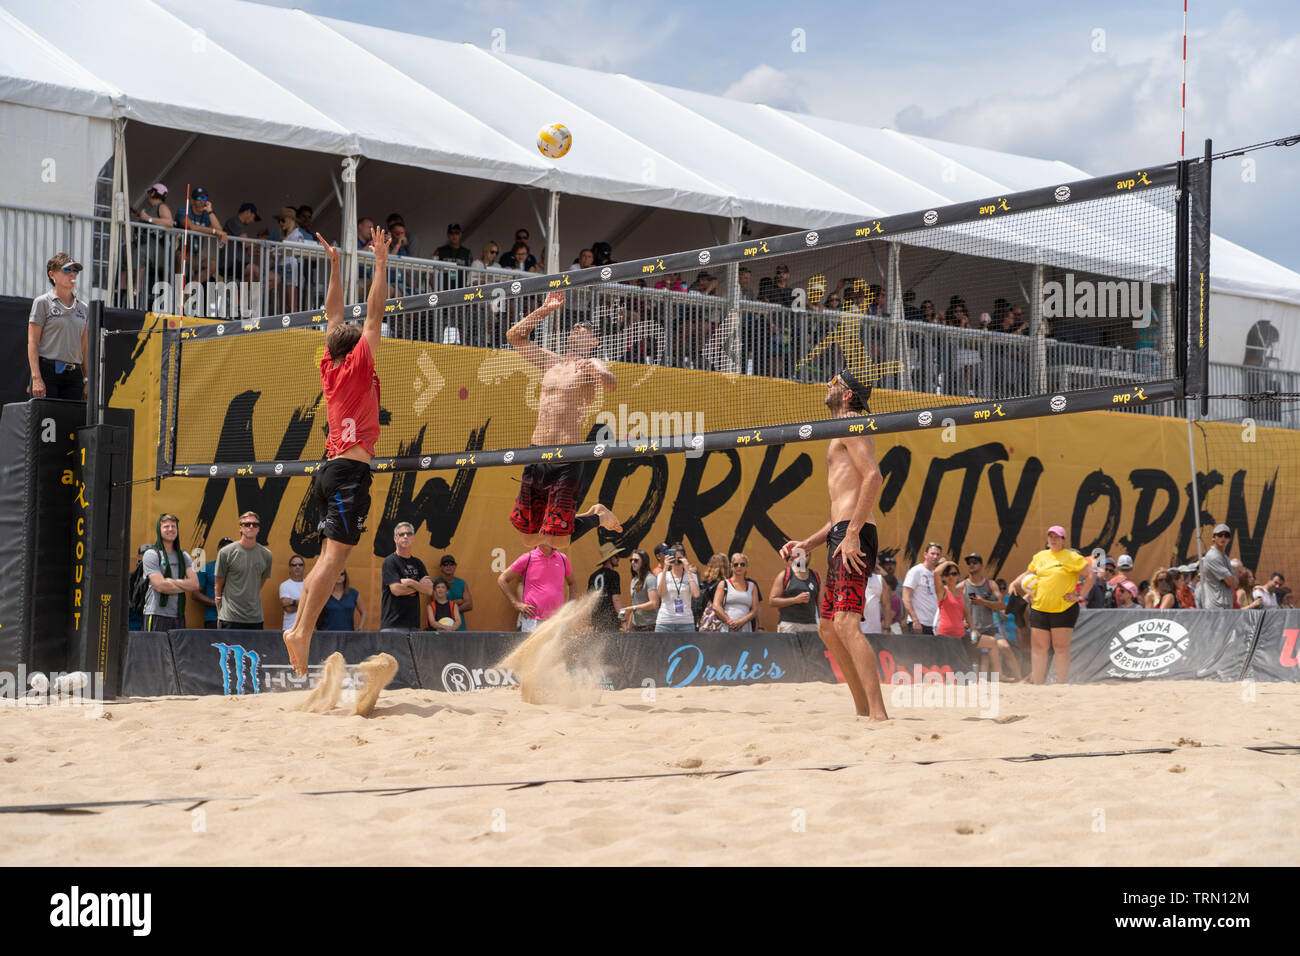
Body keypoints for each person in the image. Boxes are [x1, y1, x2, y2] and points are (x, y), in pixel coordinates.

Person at [283, 230, 389, 672]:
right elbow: (373, 314)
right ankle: (301, 632)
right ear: (356, 349)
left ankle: (298, 630)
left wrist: (334, 264)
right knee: (334, 559)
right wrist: (381, 262)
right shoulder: (359, 367)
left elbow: (333, 315)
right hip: (348, 473)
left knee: (327, 559)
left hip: (330, 468)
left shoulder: (330, 365)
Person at [780, 369, 888, 719]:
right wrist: (808, 543)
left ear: (846, 395)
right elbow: (842, 509)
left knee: (844, 624)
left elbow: (874, 476)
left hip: (854, 535)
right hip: (844, 532)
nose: (827, 385)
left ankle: (878, 714)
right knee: (828, 627)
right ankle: (862, 710)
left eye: (834, 383)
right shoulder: (840, 429)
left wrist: (854, 532)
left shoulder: (851, 422)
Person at [506, 290, 622, 550]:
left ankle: (598, 517)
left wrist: (597, 372)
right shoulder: (551, 363)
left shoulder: (593, 363)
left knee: (561, 541)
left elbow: (611, 383)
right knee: (528, 538)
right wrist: (545, 309)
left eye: (586, 329)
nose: (578, 327)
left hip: (566, 456)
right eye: (576, 326)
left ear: (594, 342)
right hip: (536, 454)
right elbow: (513, 336)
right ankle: (596, 515)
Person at [1011, 525, 1094, 685]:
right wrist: (1014, 583)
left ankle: (1061, 684)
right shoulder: (1040, 556)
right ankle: (1038, 685)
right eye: (1050, 536)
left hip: (1064, 608)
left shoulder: (1071, 557)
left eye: (1057, 537)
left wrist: (1079, 596)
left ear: (1063, 540)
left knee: (1060, 647)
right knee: (1039, 648)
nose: (1053, 539)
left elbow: (1090, 574)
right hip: (1039, 607)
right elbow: (1028, 574)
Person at [28, 253, 89, 400]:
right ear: (52, 274)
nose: (72, 274)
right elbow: (33, 342)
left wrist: (87, 380)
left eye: (75, 271)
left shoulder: (84, 308)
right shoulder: (42, 302)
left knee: (71, 422)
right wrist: (36, 378)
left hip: (74, 375)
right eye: (67, 270)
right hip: (48, 372)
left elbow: (85, 347)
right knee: (46, 421)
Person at [963, 553, 1019, 680]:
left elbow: (1002, 606)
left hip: (990, 628)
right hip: (973, 628)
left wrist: (984, 602)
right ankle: (990, 678)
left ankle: (1019, 678)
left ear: (981, 565)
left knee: (1005, 647)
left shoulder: (990, 584)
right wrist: (961, 620)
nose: (971, 564)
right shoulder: (963, 585)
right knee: (977, 656)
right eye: (969, 562)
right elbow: (954, 604)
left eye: (974, 562)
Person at [498, 540, 574, 633]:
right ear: (537, 539)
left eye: (550, 535)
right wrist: (517, 604)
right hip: (533, 620)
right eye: (544, 535)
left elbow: (572, 583)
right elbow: (502, 579)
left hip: (557, 620)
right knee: (532, 648)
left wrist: (571, 603)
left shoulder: (563, 558)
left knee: (557, 648)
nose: (547, 538)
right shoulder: (528, 558)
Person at [215, 512, 273, 629]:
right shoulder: (225, 552)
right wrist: (220, 614)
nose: (251, 527)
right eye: (247, 524)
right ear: (240, 528)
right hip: (230, 617)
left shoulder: (267, 555)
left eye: (255, 525)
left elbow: (260, 582)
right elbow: (218, 584)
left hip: (255, 618)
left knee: (254, 648)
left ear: (258, 529)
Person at [142, 513, 200, 631]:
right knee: (155, 649)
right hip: (156, 614)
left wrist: (169, 581)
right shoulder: (152, 554)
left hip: (178, 615)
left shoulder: (184, 556)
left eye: (173, 526)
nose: (170, 529)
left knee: (176, 650)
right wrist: (184, 584)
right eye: (166, 526)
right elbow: (160, 586)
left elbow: (194, 584)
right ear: (159, 530)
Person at [381, 522, 433, 631]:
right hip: (393, 625)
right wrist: (419, 586)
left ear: (413, 538)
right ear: (395, 538)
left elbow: (429, 590)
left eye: (409, 534)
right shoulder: (390, 562)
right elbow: (396, 590)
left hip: (414, 625)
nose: (405, 536)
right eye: (402, 534)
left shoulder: (418, 563)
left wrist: (410, 582)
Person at [770, 551, 821, 634]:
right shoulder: (785, 574)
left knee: (812, 648)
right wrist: (795, 600)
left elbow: (821, 604)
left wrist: (823, 624)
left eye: (806, 555)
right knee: (787, 648)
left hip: (811, 625)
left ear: (810, 557)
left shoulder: (816, 576)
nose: (802, 558)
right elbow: (772, 601)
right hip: (788, 624)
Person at [655, 544, 700, 632]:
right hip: (665, 621)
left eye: (679, 559)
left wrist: (687, 570)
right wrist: (665, 568)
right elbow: (660, 594)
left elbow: (696, 594)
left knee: (687, 646)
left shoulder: (692, 576)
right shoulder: (662, 575)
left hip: (686, 622)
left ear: (684, 559)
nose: (676, 562)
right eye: (673, 559)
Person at [902, 542, 944, 634]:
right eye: (932, 553)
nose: (935, 556)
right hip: (919, 624)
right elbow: (906, 598)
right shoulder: (916, 571)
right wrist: (915, 620)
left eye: (938, 554)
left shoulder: (937, 574)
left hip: (934, 624)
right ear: (925, 555)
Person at [713, 553, 760, 633]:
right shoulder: (723, 583)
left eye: (742, 564)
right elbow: (716, 606)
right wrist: (729, 622)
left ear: (746, 567)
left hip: (745, 627)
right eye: (736, 564)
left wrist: (741, 622)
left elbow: (755, 609)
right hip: (726, 627)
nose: (739, 567)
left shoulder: (752, 586)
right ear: (731, 567)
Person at [194, 537, 233, 629]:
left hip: (235, 619)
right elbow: (195, 594)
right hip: (213, 618)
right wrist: (216, 603)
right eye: (224, 548)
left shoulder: (238, 570)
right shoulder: (206, 567)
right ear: (218, 549)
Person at [1196, 525, 1237, 610]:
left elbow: (1234, 582)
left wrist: (1232, 579)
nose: (1223, 538)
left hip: (1223, 605)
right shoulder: (1213, 556)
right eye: (1220, 535)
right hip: (1216, 607)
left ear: (1229, 539)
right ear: (1213, 538)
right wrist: (1233, 578)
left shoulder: (1224, 556)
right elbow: (1231, 582)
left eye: (1226, 535)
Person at [588, 542, 624, 632]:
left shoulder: (593, 576)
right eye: (616, 556)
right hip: (611, 622)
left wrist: (590, 622)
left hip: (596, 622)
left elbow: (589, 602)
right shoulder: (614, 575)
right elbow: (616, 600)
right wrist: (623, 619)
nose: (619, 558)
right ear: (610, 558)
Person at [623, 549, 658, 632]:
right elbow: (634, 604)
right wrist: (628, 625)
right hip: (635, 626)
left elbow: (654, 603)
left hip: (649, 625)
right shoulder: (634, 580)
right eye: (631, 560)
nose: (632, 562)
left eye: (636, 560)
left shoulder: (650, 579)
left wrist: (633, 608)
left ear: (644, 562)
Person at [435, 555, 472, 630]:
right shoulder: (435, 583)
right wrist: (458, 601)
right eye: (445, 564)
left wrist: (451, 610)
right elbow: (438, 605)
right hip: (442, 626)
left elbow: (469, 605)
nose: (448, 566)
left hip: (460, 628)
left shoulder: (462, 583)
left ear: (455, 566)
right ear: (441, 567)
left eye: (451, 564)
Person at [280, 555, 306, 631]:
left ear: (304, 567)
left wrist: (293, 601)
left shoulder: (309, 584)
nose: (297, 567)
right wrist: (306, 604)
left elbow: (313, 605)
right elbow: (288, 609)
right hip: (289, 630)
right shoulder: (284, 585)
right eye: (294, 565)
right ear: (290, 568)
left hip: (306, 630)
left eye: (300, 565)